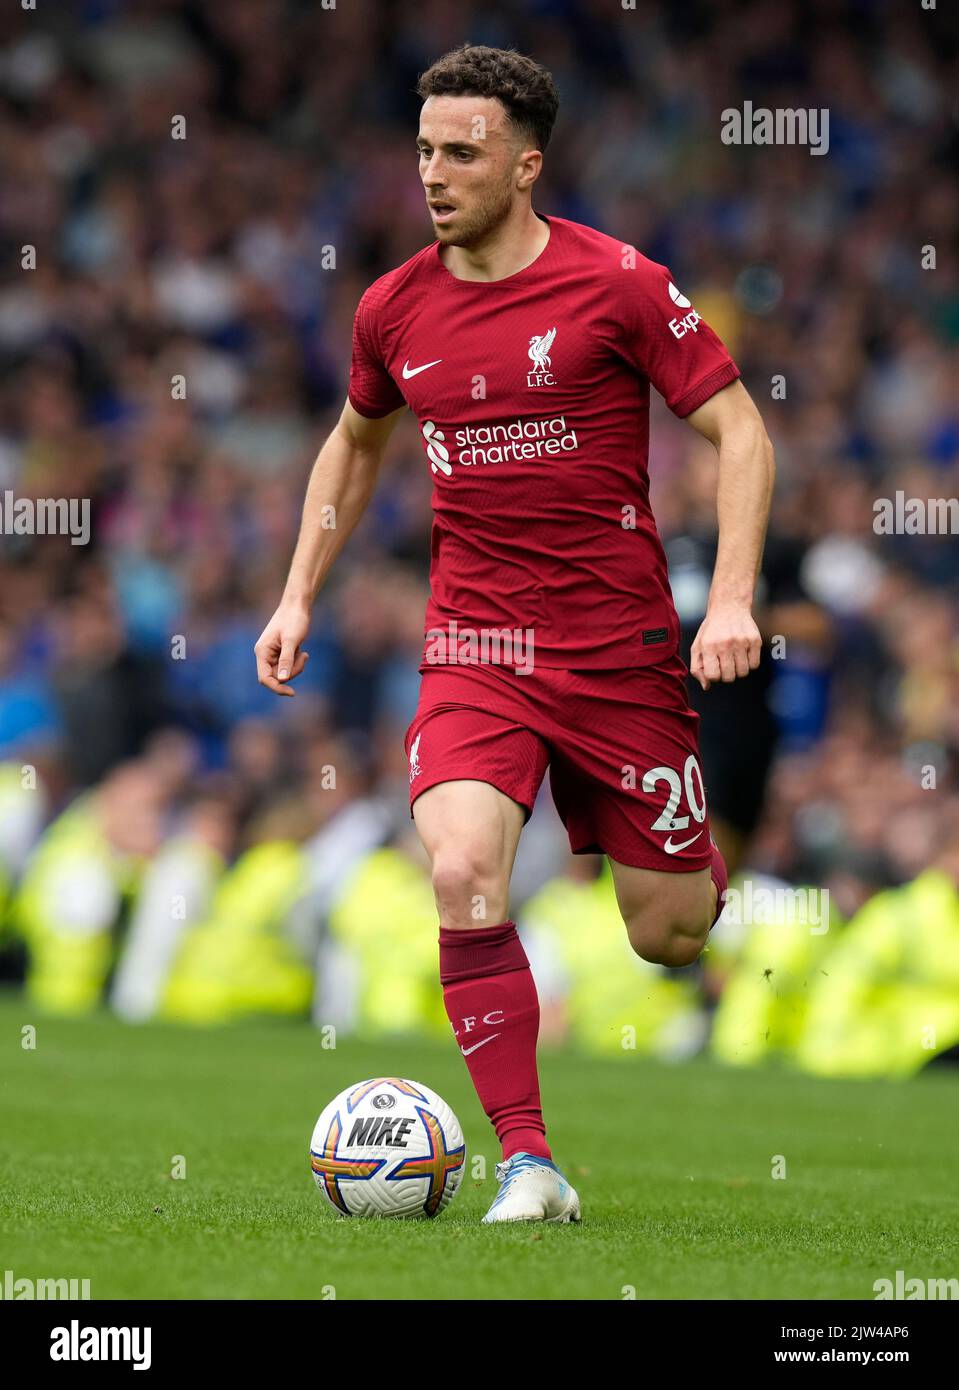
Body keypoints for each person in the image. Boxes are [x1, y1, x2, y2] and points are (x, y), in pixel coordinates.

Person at [256, 45, 775, 1224]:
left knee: (671, 934)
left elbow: (740, 432)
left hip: (618, 653)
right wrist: (296, 595)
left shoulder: (621, 285)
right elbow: (353, 441)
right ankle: (527, 1162)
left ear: (525, 163)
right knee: (458, 868)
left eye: (462, 152)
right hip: (474, 647)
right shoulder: (392, 304)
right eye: (425, 150)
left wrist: (731, 597)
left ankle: (687, 858)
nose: (434, 173)